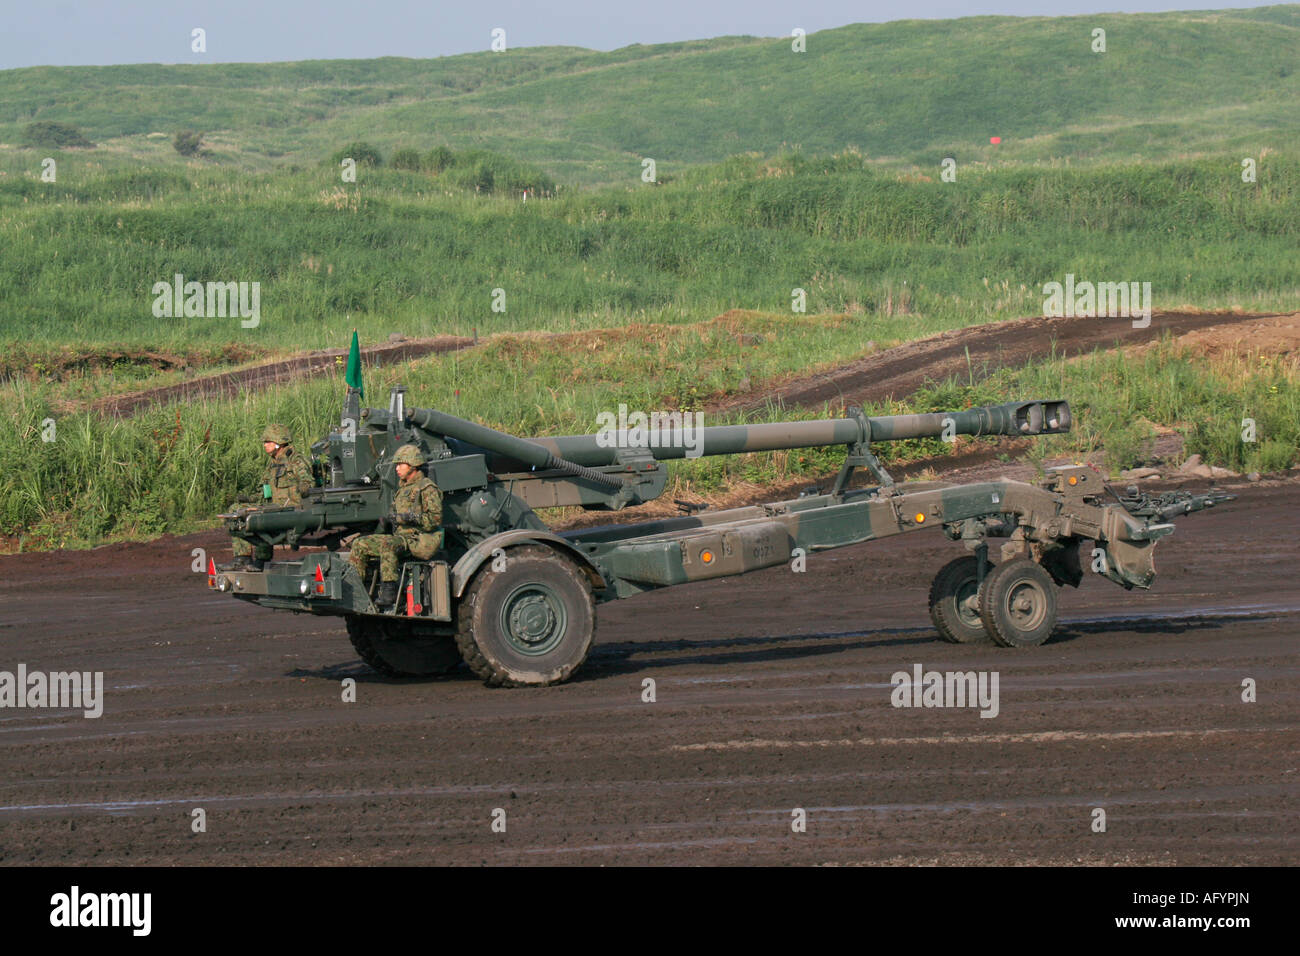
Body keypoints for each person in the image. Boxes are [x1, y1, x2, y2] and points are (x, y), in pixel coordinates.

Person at [348, 444, 443, 607]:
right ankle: (356, 589)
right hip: (401, 537)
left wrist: (411, 518)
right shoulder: (402, 489)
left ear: (412, 465)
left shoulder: (426, 488)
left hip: (417, 540)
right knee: (359, 544)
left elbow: (435, 520)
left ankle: (389, 591)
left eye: (400, 464)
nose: (397, 468)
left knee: (387, 545)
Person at [219, 423, 315, 571]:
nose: (265, 445)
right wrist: (249, 499)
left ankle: (249, 560)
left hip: (291, 509)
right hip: (275, 507)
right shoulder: (272, 464)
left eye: (268, 441)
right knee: (236, 511)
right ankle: (249, 560)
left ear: (279, 442)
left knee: (247, 515)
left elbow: (308, 482)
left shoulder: (296, 461)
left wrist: (304, 488)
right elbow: (264, 492)